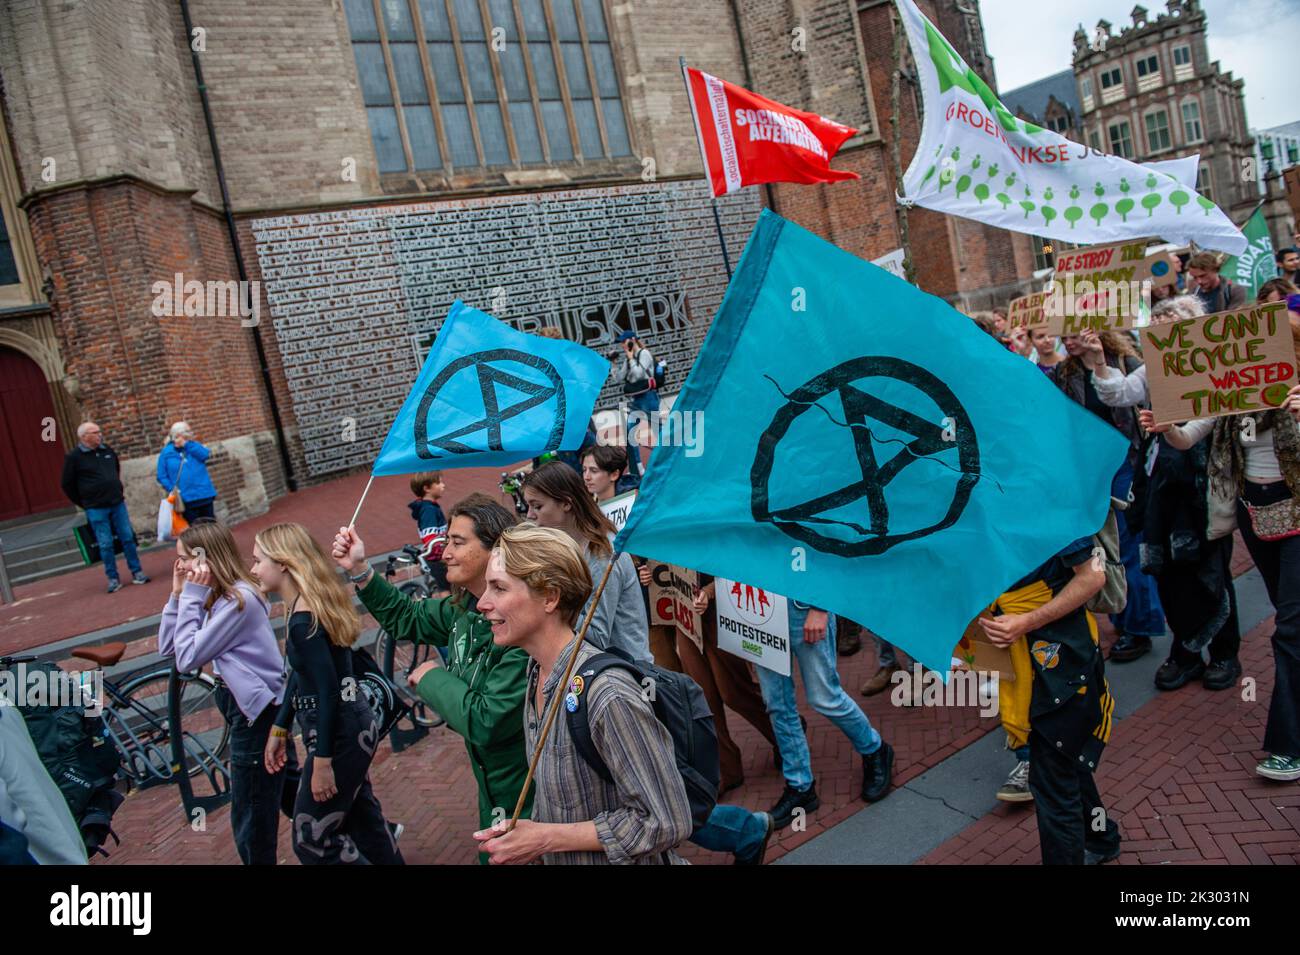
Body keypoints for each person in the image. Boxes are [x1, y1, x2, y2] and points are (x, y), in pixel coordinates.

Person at [1139, 310, 1300, 782]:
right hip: (1257, 517)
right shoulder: (1230, 392)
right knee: (1290, 616)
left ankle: (1287, 745)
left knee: (1288, 629)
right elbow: (1189, 437)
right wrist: (1165, 425)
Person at [472, 524, 694, 864]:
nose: (482, 603)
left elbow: (666, 821)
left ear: (550, 596)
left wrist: (546, 839)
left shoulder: (609, 695)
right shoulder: (536, 674)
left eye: (498, 588)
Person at [333, 494, 531, 856]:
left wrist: (430, 678)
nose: (444, 552)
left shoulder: (517, 625)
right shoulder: (461, 609)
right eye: (446, 541)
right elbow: (406, 618)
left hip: (527, 789)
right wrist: (359, 569)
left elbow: (488, 720)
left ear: (494, 548)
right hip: (491, 785)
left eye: (458, 542)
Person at [1089, 295, 1242, 692]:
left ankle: (1224, 652)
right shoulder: (1155, 368)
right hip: (1160, 478)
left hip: (1201, 481)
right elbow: (1120, 393)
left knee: (1209, 571)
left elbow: (1200, 428)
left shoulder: (1215, 367)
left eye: (1172, 327)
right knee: (1170, 571)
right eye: (1157, 329)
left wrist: (1173, 427)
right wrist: (1098, 362)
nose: (1164, 336)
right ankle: (1186, 652)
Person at [258, 523, 403, 865]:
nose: (252, 569)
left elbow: (328, 692)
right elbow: (304, 674)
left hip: (338, 735)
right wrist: (280, 727)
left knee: (312, 838)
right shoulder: (310, 605)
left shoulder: (302, 621)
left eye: (257, 560)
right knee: (363, 821)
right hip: (353, 727)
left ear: (282, 562)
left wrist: (322, 761)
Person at [157, 520, 293, 864]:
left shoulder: (238, 600)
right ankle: (367, 830)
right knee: (292, 790)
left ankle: (365, 832)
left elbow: (187, 659)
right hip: (248, 704)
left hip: (255, 712)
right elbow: (167, 648)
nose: (181, 566)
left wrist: (189, 597)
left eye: (185, 558)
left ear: (207, 559)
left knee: (251, 811)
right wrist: (177, 595)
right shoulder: (217, 595)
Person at [981, 536, 1122, 865]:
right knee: (1066, 757)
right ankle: (1102, 837)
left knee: (1052, 785)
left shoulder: (1044, 497)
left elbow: (1093, 576)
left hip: (1061, 664)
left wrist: (1025, 621)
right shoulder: (977, 499)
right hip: (1026, 658)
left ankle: (1095, 840)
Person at [739, 585, 894, 828]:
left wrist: (820, 605)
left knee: (825, 697)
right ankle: (800, 785)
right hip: (758, 607)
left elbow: (826, 546)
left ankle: (875, 749)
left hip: (800, 602)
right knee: (777, 704)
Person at [1059, 330, 1165, 661]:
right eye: (1065, 336)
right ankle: (1121, 612)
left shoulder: (1126, 361)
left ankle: (1140, 626)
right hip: (1089, 468)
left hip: (1126, 462)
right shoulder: (1066, 373)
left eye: (1074, 333)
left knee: (1127, 541)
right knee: (1105, 544)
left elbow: (1137, 405)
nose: (1069, 341)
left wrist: (1099, 362)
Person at [521, 461, 651, 663]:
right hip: (594, 666)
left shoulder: (602, 554)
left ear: (566, 503)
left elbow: (597, 635)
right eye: (528, 506)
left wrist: (548, 598)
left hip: (624, 674)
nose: (530, 515)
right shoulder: (566, 546)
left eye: (537, 506)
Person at [61, 421, 149, 593]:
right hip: (95, 507)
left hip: (117, 503)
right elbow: (67, 484)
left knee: (128, 537)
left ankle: (137, 571)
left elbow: (115, 470)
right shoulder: (74, 457)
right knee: (105, 543)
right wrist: (85, 502)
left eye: (99, 431)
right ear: (84, 437)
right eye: (95, 432)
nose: (100, 435)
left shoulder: (107, 450)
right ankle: (113, 578)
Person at [616, 330, 659, 484]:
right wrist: (615, 364)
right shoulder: (629, 358)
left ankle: (664, 460)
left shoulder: (644, 353)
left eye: (624, 341)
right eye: (621, 342)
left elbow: (639, 374)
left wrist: (630, 358)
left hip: (648, 397)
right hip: (636, 399)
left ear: (632, 340)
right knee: (630, 431)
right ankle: (639, 467)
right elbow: (619, 378)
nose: (622, 345)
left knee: (657, 431)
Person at [155, 421, 218, 524]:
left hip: (204, 494)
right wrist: (173, 489)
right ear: (178, 435)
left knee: (211, 527)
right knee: (195, 530)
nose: (189, 435)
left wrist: (186, 444)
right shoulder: (166, 452)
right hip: (185, 498)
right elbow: (161, 475)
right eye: (186, 433)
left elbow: (205, 455)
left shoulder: (193, 446)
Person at [407, 470, 450, 595]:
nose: (443, 485)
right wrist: (442, 555)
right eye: (439, 483)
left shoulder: (431, 507)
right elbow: (430, 538)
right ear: (427, 488)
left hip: (438, 555)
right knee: (446, 588)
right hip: (436, 558)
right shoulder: (428, 510)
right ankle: (450, 612)